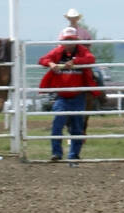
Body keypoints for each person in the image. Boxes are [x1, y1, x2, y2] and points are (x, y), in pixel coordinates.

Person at [38, 27, 97, 162]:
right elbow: (42, 59)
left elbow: (91, 59)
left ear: (76, 41)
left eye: (71, 40)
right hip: (62, 96)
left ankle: (73, 155)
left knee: (77, 126)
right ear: (62, 42)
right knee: (57, 124)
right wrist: (51, 63)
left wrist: (75, 62)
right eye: (66, 41)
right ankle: (57, 153)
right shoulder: (58, 51)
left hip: (78, 95)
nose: (69, 43)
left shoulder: (82, 50)